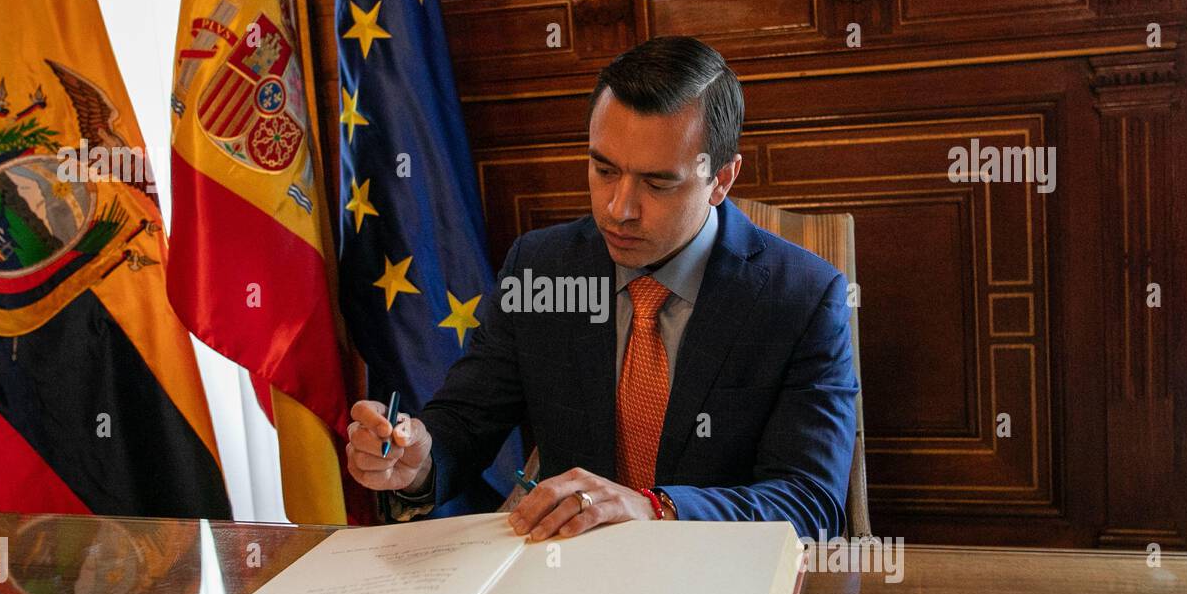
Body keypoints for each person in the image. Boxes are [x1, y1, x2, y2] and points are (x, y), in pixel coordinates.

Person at [346, 35, 859, 541]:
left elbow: (809, 504)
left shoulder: (802, 298)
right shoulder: (540, 269)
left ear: (721, 179)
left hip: (722, 592)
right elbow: (465, 422)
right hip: (570, 583)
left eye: (658, 183)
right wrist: (417, 464)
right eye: (604, 170)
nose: (619, 209)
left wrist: (655, 510)